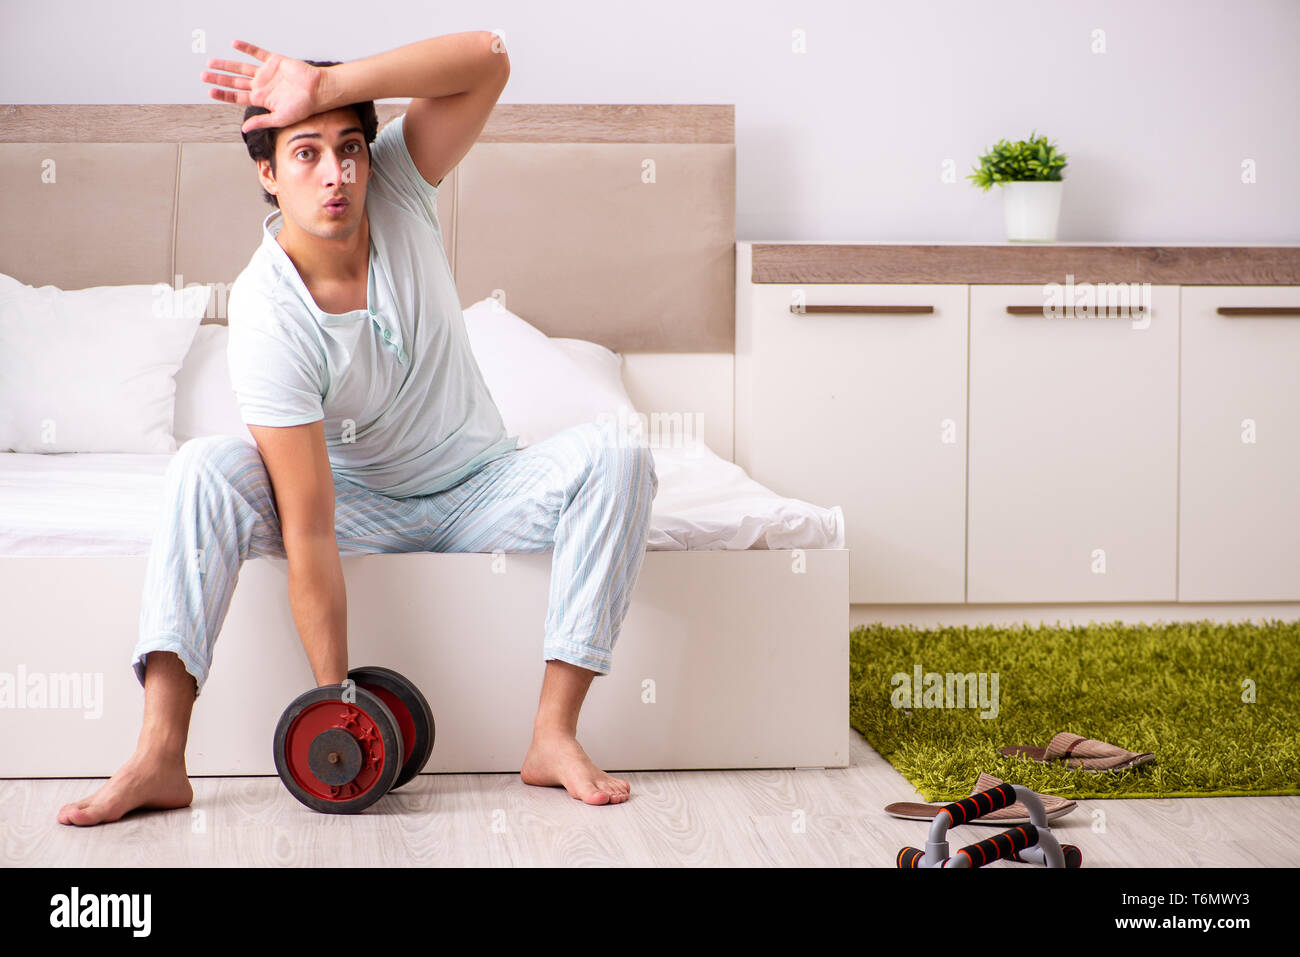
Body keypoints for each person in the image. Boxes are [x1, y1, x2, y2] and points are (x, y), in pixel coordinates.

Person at [57, 32, 658, 826]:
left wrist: (325, 83)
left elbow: (488, 57)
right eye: (305, 154)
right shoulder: (268, 312)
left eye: (350, 149)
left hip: (480, 490)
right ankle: (161, 752)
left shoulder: (399, 188)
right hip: (353, 511)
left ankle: (553, 735)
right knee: (203, 468)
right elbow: (307, 528)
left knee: (619, 448)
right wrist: (339, 708)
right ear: (265, 172)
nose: (335, 174)